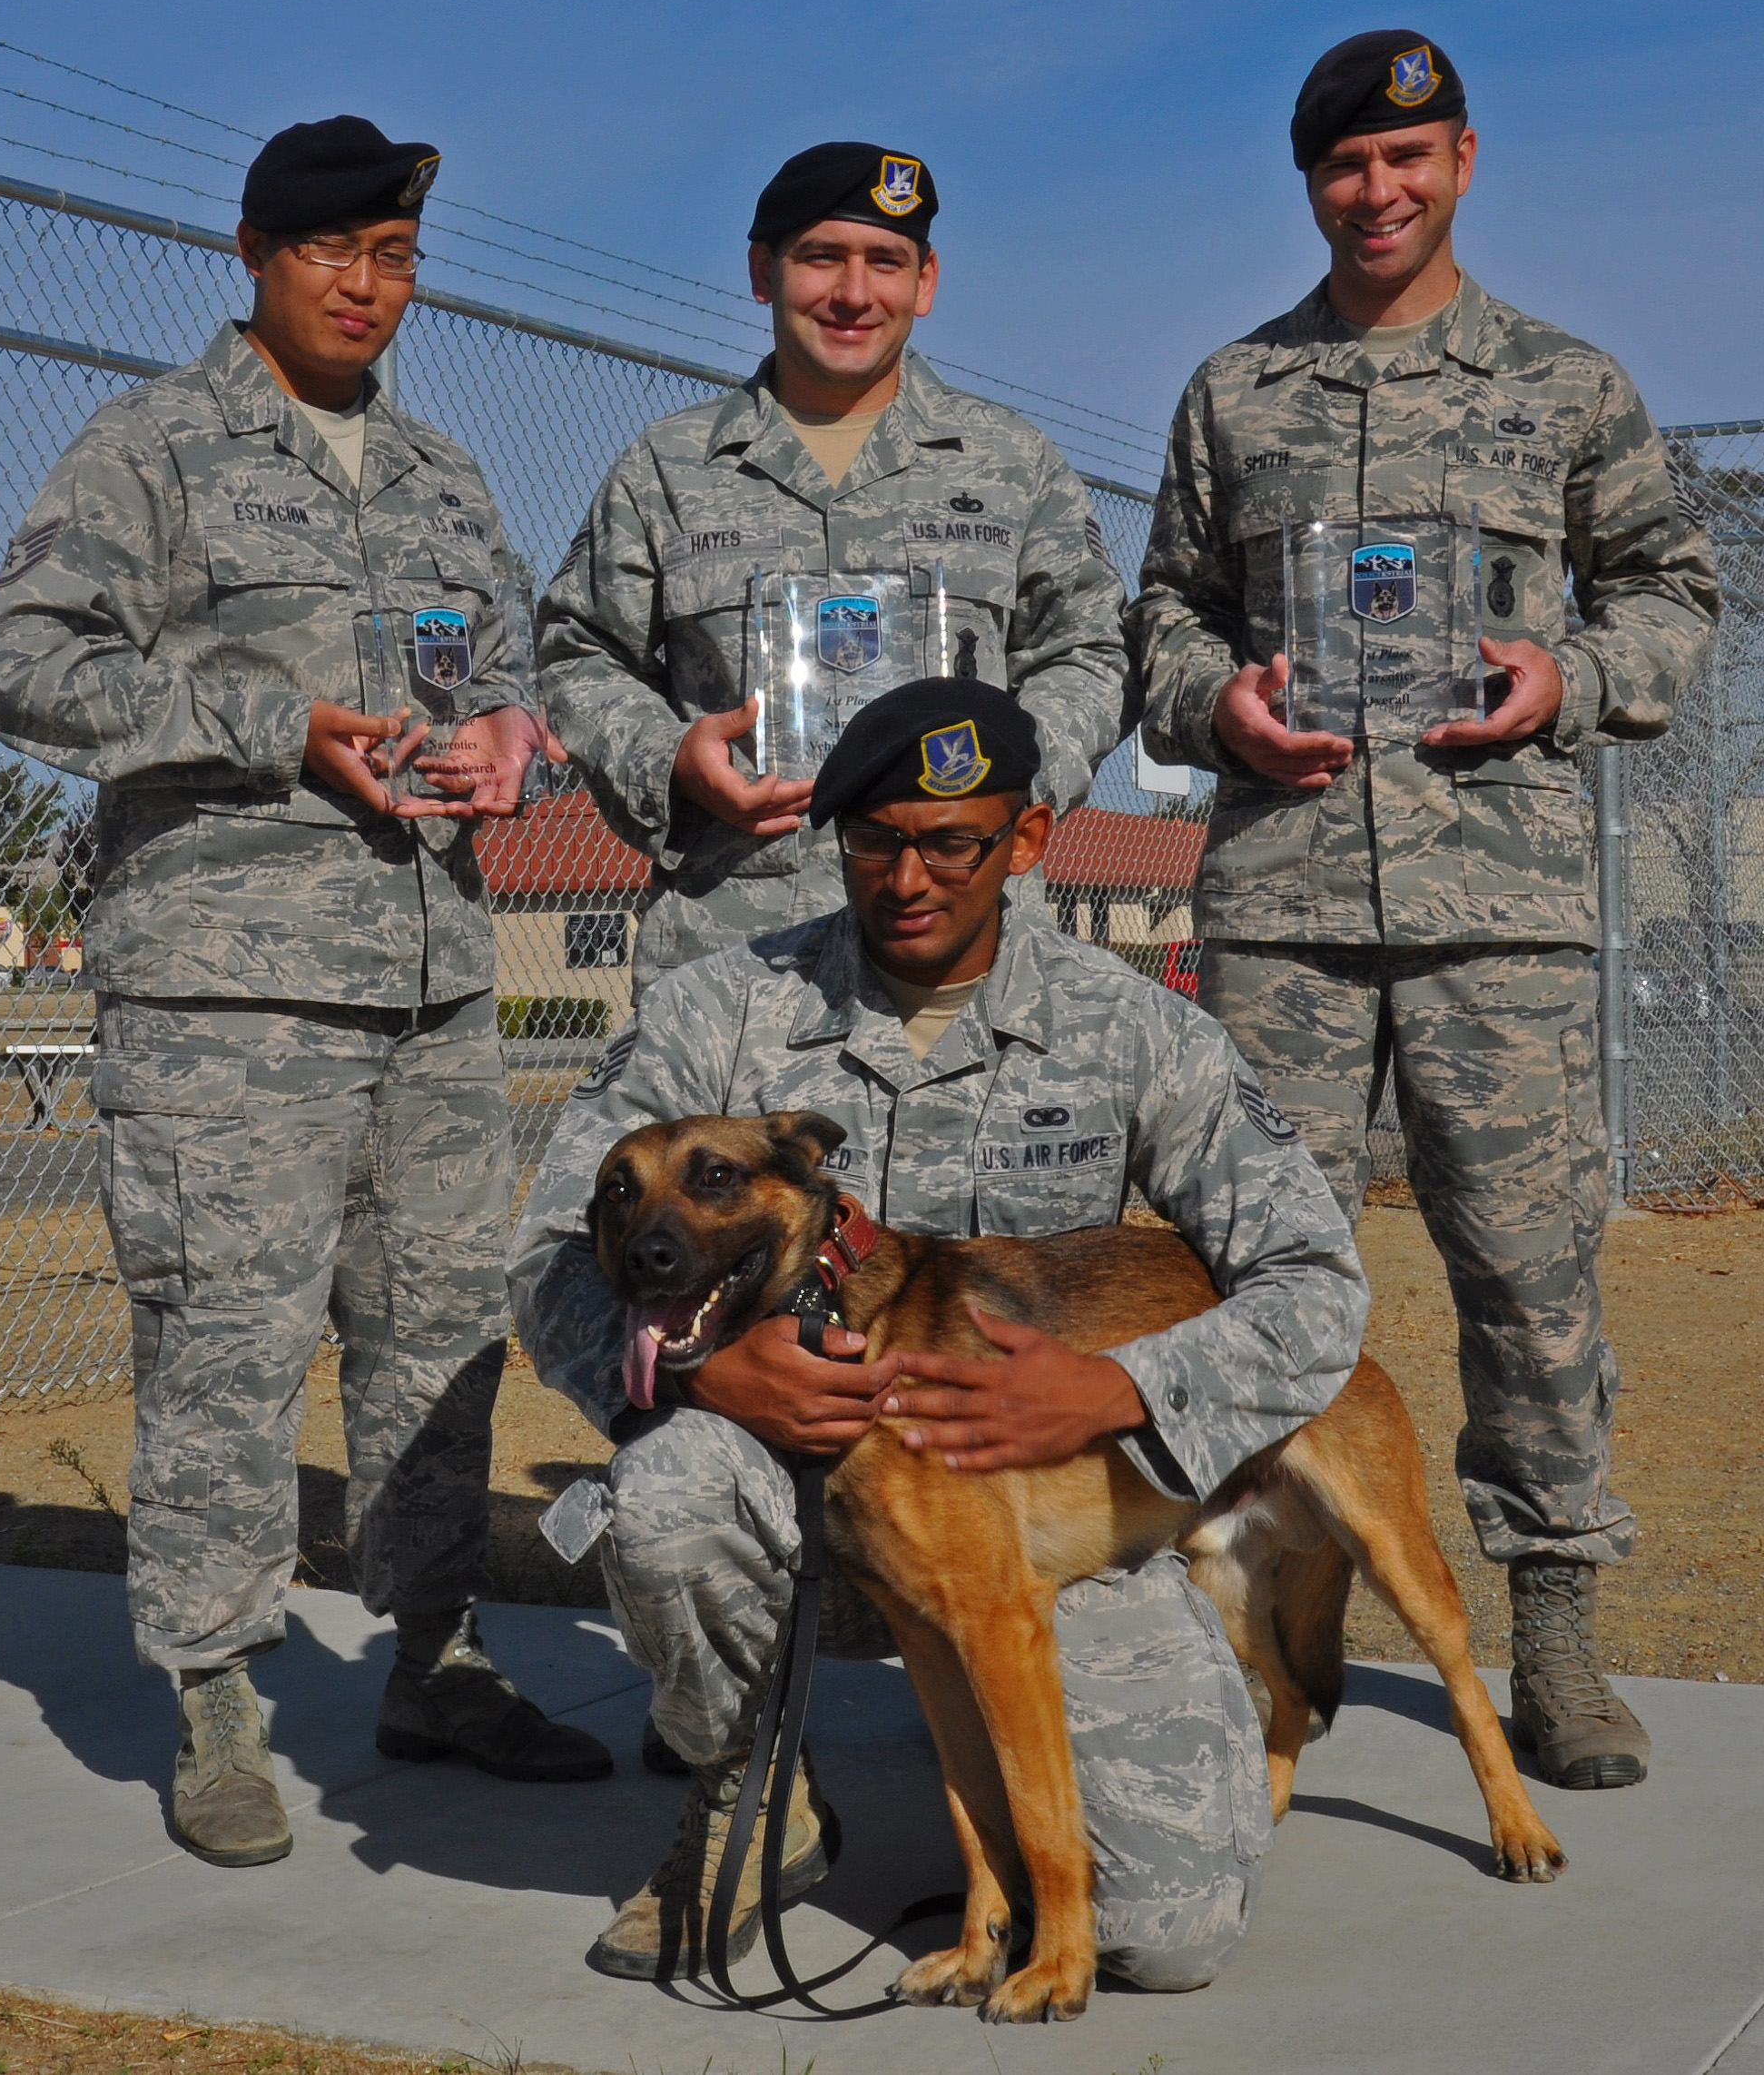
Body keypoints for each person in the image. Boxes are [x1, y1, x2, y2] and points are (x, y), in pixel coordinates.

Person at [510, 678, 1368, 1988]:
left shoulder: (1134, 1026)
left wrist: (1119, 1389)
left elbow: (1315, 1283)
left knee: (1169, 1936)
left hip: (1047, 1538)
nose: (908, 873)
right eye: (875, 838)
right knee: (664, 1491)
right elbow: (545, 1258)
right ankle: (751, 1798)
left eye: (951, 839)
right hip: (789, 1508)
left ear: (1024, 842)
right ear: (837, 840)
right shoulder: (717, 1010)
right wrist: (710, 1371)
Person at [0, 115, 608, 1871]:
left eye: (394, 255)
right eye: (332, 249)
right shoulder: (153, 450)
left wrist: (510, 747)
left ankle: (438, 1660)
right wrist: (276, 721)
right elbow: (24, 667)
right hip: (224, 996)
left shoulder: (439, 476)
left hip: (429, 978)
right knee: (229, 1347)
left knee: (432, 1340)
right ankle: (216, 1697)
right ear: (253, 252)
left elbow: (505, 685)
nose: (364, 285)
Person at [1131, 31, 1719, 1790]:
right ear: (1305, 181)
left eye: (1404, 160)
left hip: (1498, 906)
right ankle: (1265, 1614)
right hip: (1285, 910)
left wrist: (1563, 677)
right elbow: (1156, 615)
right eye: (1340, 166)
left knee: (1528, 1277)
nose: (1373, 193)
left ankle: (1550, 1625)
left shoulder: (1565, 387)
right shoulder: (1235, 393)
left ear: (1462, 159)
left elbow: (1674, 595)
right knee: (1250, 1277)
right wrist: (1209, 703)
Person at [534, 143, 1130, 991]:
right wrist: (670, 758)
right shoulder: (668, 468)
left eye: (885, 262)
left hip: (965, 944)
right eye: (821, 258)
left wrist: (1010, 785)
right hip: (735, 956)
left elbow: (1092, 649)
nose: (854, 293)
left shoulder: (1011, 465)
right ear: (761, 271)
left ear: (924, 282)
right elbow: (578, 650)